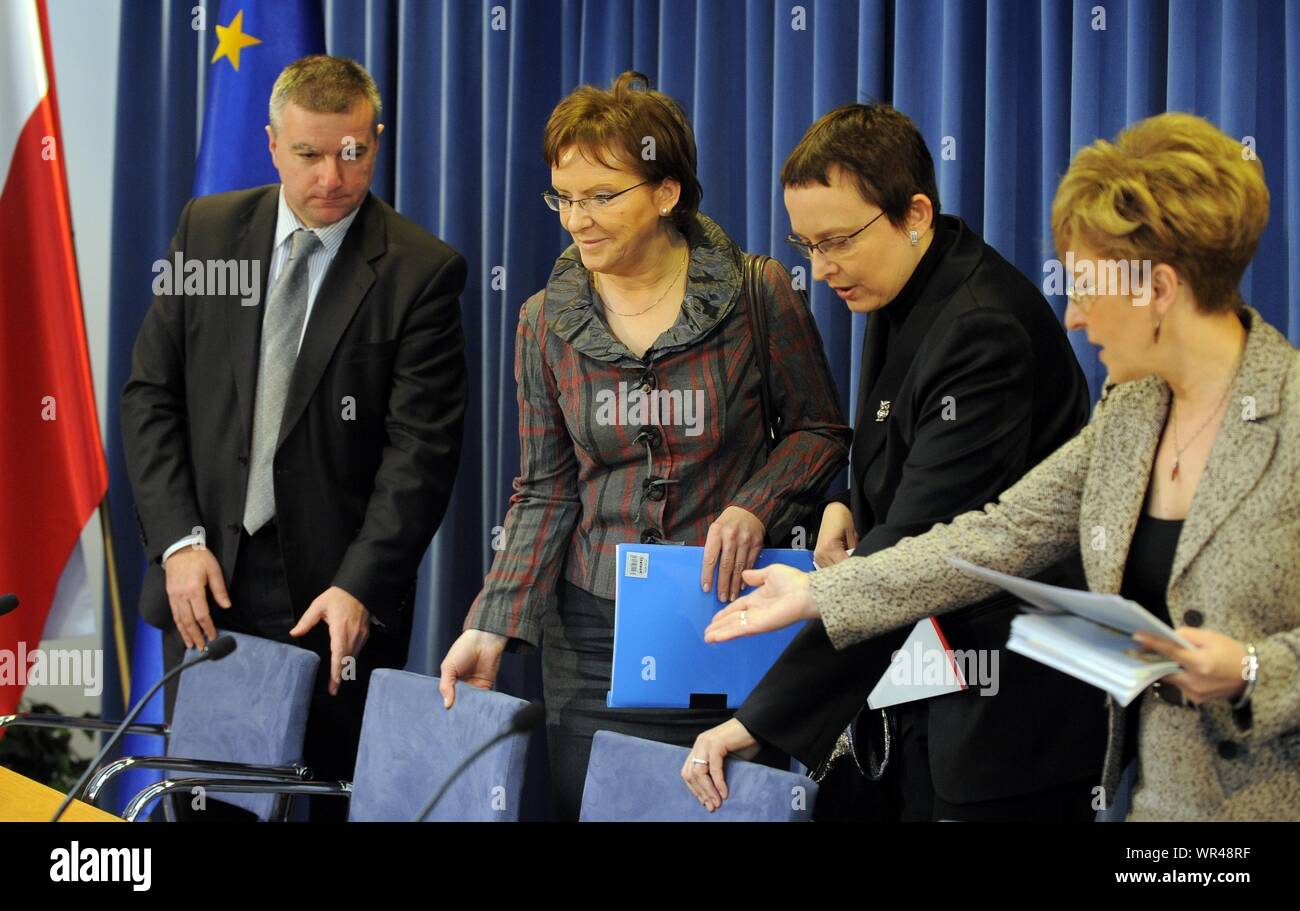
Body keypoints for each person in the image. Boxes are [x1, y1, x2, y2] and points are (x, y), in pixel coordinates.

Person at [700, 112, 1300, 822]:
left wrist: (1254, 671)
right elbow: (993, 534)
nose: (1072, 317)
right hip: (1162, 808)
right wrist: (821, 595)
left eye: (1084, 285)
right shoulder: (1133, 410)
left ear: (1158, 289)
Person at [438, 72, 851, 821]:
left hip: (729, 619)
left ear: (666, 193)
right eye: (563, 196)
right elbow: (544, 488)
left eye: (601, 195)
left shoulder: (757, 292)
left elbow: (821, 431)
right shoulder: (542, 321)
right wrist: (490, 622)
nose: (576, 219)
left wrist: (756, 505)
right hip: (593, 634)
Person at [683, 103, 1108, 821]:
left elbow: (922, 543)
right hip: (918, 690)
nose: (820, 270)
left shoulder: (981, 328)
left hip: (1004, 717)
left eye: (837, 241)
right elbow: (901, 448)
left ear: (914, 211)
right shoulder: (904, 281)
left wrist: (759, 719)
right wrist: (846, 498)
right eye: (806, 245)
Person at [121, 55, 468, 820]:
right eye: (308, 153)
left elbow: (422, 454)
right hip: (205, 576)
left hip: (329, 596)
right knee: (204, 804)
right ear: (272, 144)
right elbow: (151, 396)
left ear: (375, 143)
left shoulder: (421, 271)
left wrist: (360, 586)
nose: (332, 175)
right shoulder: (206, 231)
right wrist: (178, 544)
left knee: (314, 805)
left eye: (352, 151)